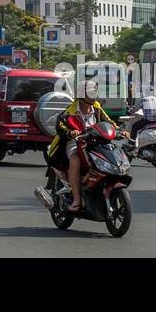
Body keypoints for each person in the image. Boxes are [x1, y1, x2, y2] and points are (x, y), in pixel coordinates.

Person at [47, 81, 114, 213]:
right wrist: (70, 132)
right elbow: (60, 126)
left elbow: (109, 122)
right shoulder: (70, 111)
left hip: (95, 143)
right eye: (90, 92)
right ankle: (77, 200)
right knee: (75, 160)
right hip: (75, 143)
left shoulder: (97, 108)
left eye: (95, 91)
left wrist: (119, 131)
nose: (94, 95)